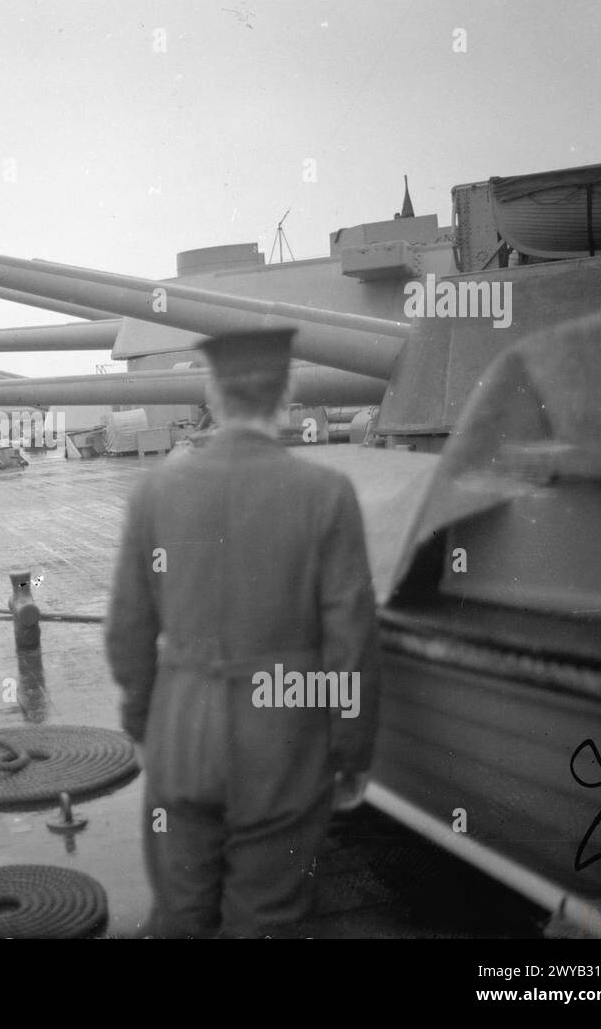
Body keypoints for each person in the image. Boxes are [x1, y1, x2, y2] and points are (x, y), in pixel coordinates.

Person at [105, 327, 381, 938]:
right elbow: (351, 643)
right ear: (285, 395)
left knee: (179, 916)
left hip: (181, 738)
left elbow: (127, 632)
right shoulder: (327, 494)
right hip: (281, 749)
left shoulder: (155, 492)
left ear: (213, 394)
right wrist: (351, 751)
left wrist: (146, 722)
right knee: (268, 921)